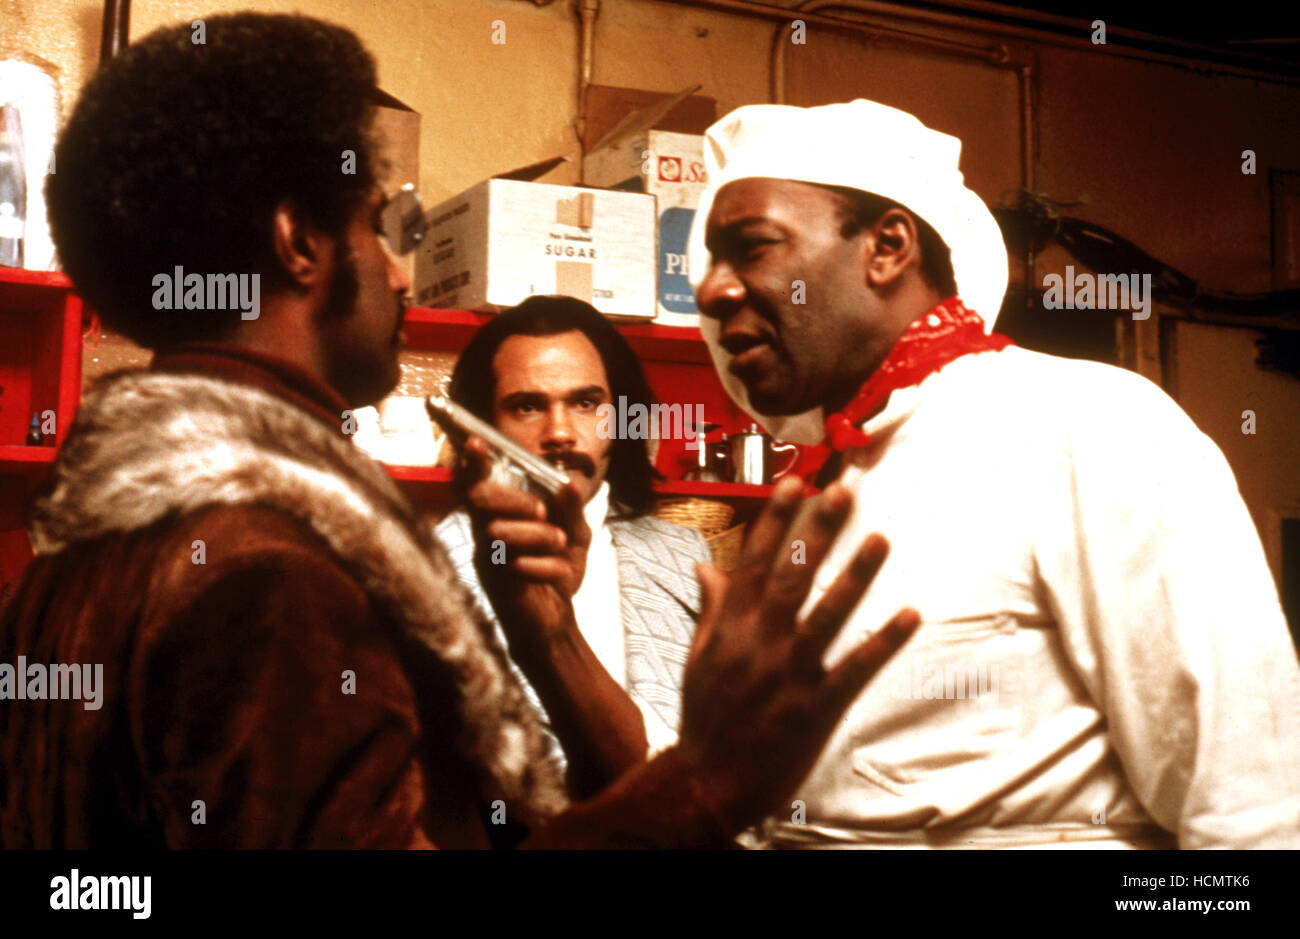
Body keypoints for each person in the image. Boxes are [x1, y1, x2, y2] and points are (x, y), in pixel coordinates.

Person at [0, 14, 918, 849]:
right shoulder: (269, 568)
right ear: (298, 243)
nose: (405, 277)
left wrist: (543, 638)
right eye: (380, 226)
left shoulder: (65, 563)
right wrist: (707, 782)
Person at [687, 98, 1300, 849]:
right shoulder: (825, 491)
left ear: (887, 248)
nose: (712, 290)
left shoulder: (1086, 425)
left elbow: (1253, 815)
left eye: (751, 247)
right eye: (710, 259)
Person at [434, 297, 710, 793]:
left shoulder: (685, 555)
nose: (560, 433)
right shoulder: (432, 564)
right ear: (481, 427)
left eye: (586, 404)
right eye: (527, 406)